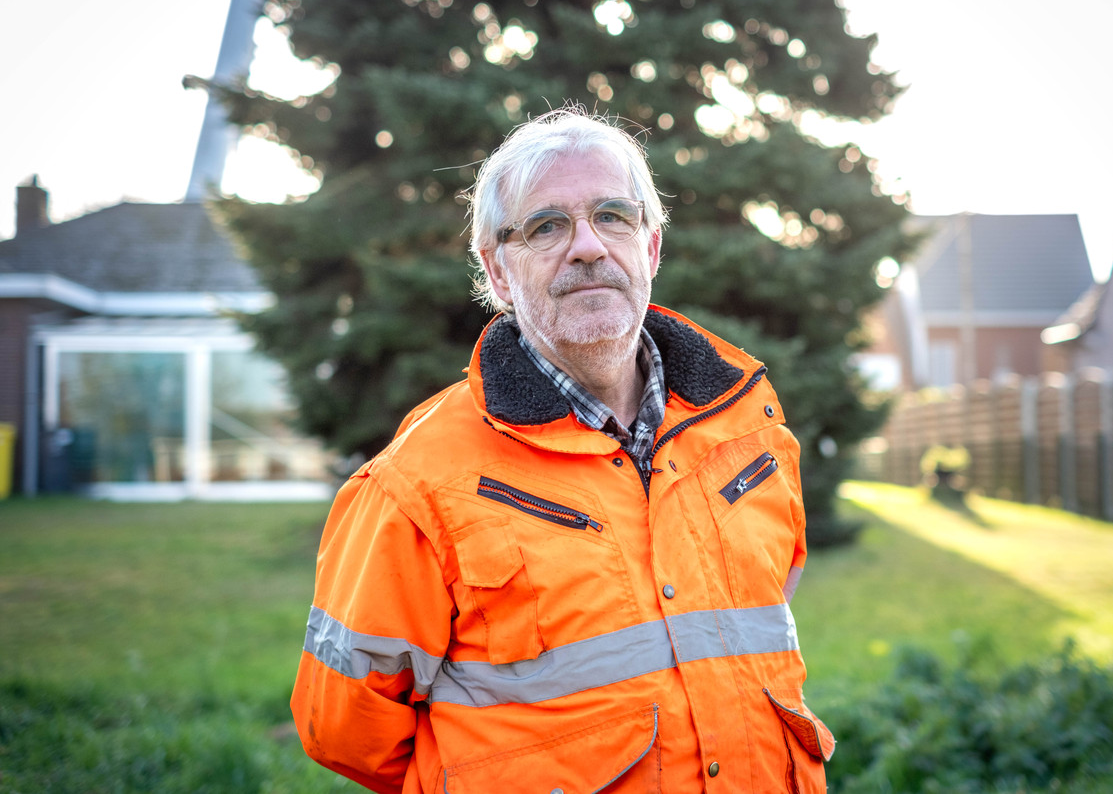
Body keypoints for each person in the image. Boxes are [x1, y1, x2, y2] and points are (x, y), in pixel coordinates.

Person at [291, 106, 834, 793]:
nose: (588, 247)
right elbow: (345, 730)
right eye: (546, 226)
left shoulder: (751, 431)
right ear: (497, 270)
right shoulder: (414, 484)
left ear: (651, 248)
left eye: (613, 216)